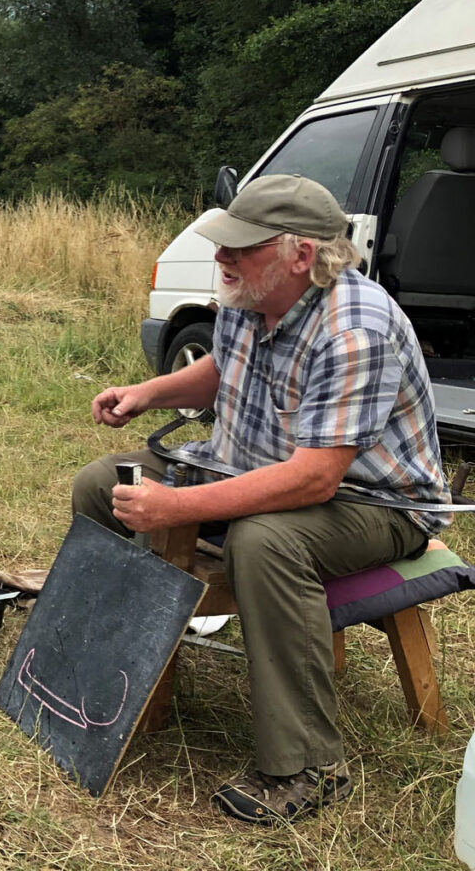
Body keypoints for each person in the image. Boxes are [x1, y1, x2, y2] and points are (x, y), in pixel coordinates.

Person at [71, 174, 450, 824]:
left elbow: (314, 481)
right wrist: (147, 393)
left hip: (375, 503)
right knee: (102, 484)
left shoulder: (356, 329)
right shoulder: (252, 294)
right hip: (251, 464)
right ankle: (104, 668)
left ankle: (307, 769)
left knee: (265, 542)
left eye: (241, 247)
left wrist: (179, 509)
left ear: (300, 255)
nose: (222, 256)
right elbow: (224, 367)